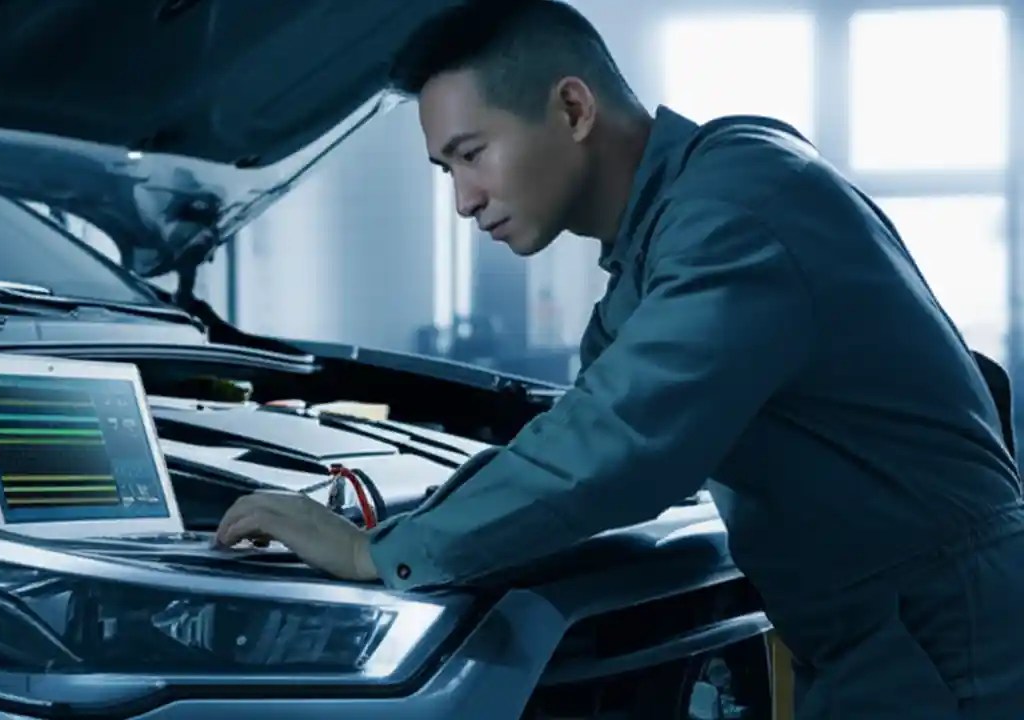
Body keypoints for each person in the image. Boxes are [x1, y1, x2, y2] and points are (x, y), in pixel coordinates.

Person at [214, 1, 1024, 716]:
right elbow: (577, 432)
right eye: (446, 168)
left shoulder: (737, 208)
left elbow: (617, 445)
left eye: (473, 153)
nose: (463, 199)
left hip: (952, 638)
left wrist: (370, 553)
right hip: (885, 635)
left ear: (572, 108)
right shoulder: (661, 250)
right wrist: (404, 531)